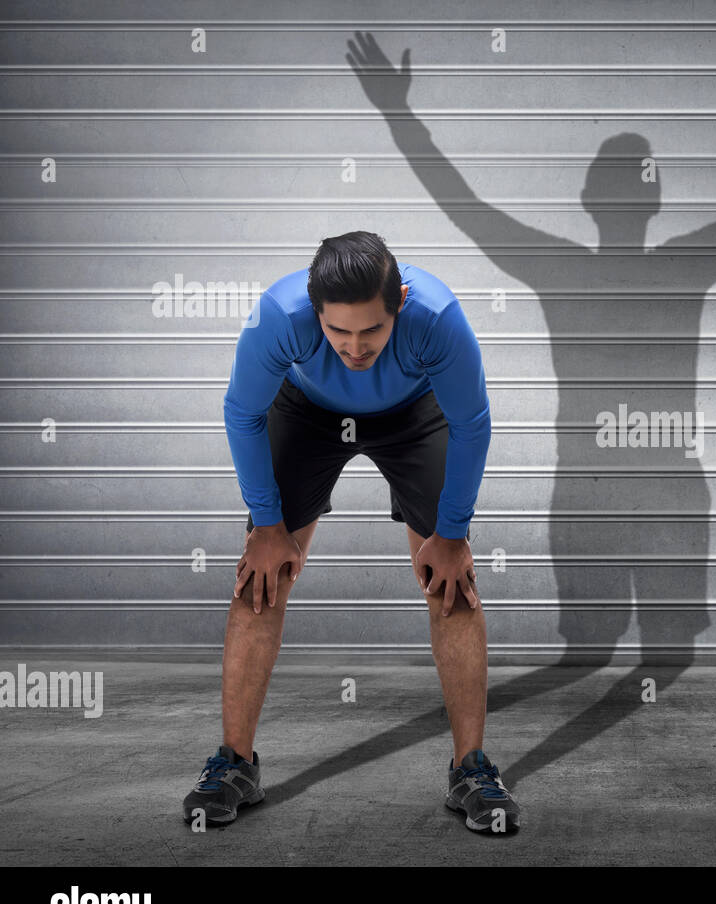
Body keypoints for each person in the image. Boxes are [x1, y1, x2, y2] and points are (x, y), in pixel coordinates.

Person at [181, 230, 520, 833]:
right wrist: (265, 522)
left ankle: (472, 769)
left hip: (413, 414)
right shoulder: (279, 316)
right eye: (338, 331)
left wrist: (451, 533)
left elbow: (472, 422)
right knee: (262, 575)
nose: (355, 347)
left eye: (371, 331)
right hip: (307, 411)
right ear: (316, 313)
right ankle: (233, 765)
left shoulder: (435, 317)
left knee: (452, 583)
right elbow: (242, 411)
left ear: (400, 303)